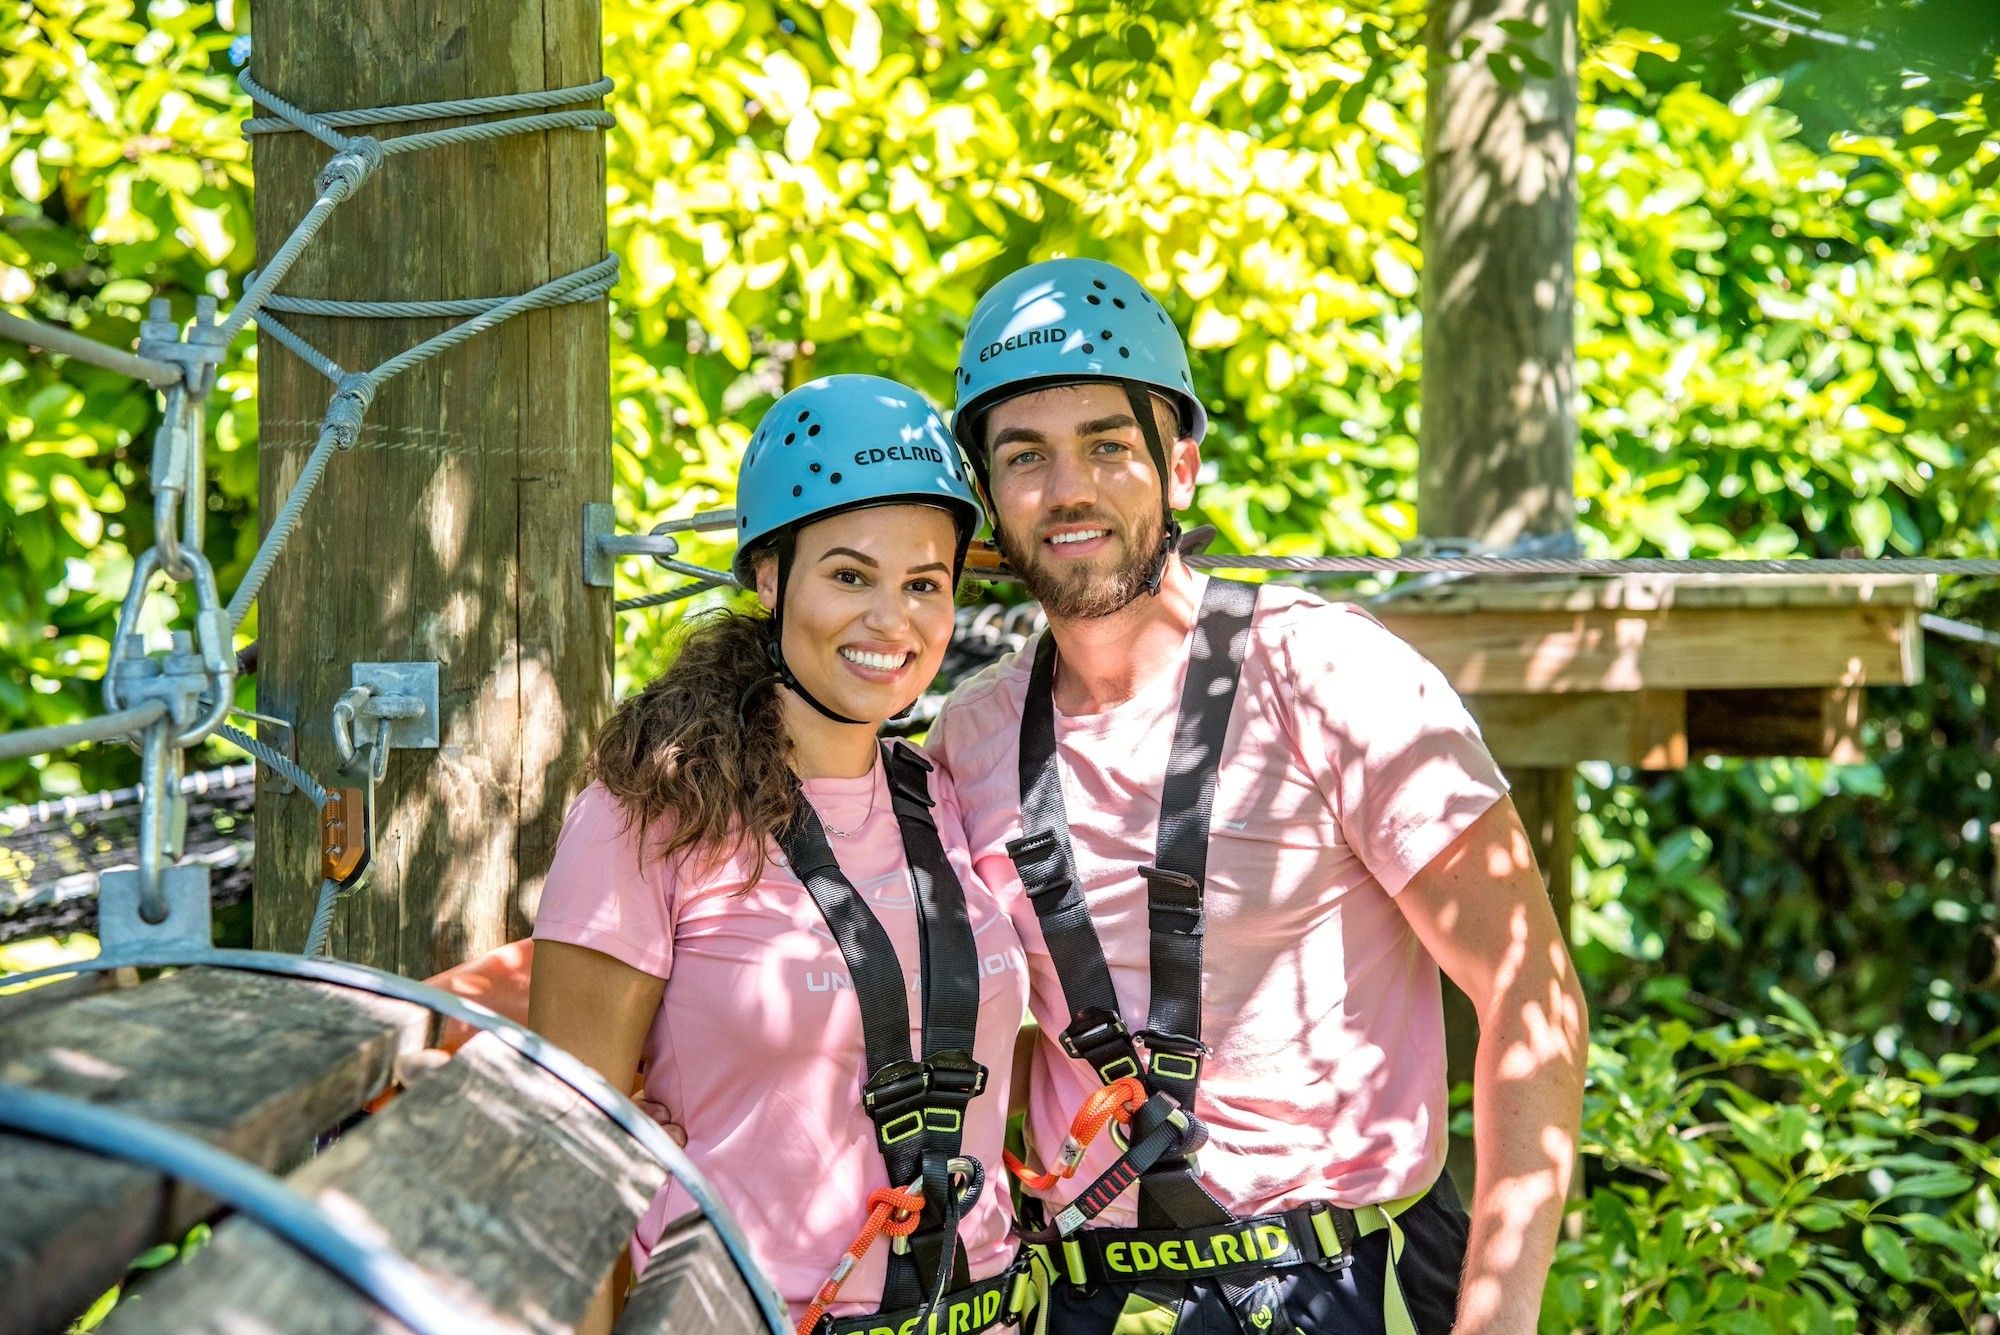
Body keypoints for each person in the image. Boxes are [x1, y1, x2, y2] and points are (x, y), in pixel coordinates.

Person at [927, 258, 1588, 1335]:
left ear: (1178, 466)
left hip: (1331, 1278)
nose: (1067, 489)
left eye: (1106, 444)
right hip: (1089, 1293)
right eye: (1024, 457)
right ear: (989, 497)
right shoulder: (970, 738)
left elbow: (1532, 1001)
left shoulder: (1329, 680)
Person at [529, 375, 1034, 1335]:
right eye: (850, 575)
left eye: (924, 584)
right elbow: (573, 1149)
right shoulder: (652, 810)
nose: (893, 621)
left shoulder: (941, 796)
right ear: (770, 577)